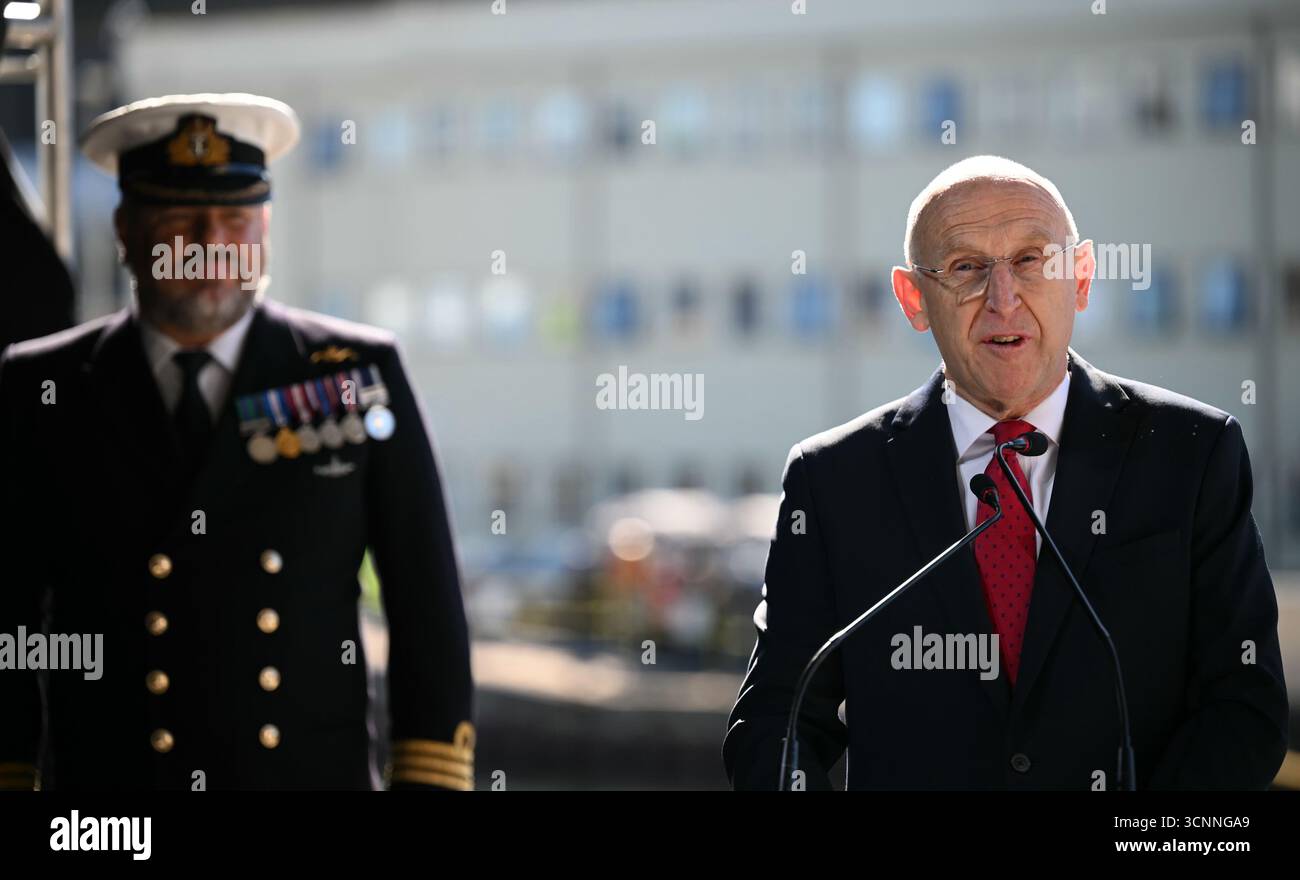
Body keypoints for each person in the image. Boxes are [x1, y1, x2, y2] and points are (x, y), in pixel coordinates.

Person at [723, 155, 1288, 790]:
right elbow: (775, 721)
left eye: (1031, 260)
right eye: (965, 268)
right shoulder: (831, 480)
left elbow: (1244, 706)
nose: (1003, 298)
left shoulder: (1192, 452)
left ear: (1079, 276)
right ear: (914, 298)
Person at [0, 94, 474, 791]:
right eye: (181, 221)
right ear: (127, 231)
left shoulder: (357, 374)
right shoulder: (45, 386)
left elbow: (426, 609)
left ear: (267, 230)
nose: (212, 245)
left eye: (235, 220)